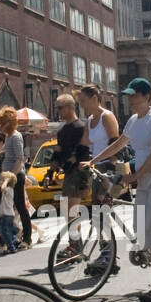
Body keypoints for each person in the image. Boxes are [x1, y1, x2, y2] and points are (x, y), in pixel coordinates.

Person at [87, 78, 151, 302]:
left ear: (147, 96)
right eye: (128, 95)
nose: (130, 99)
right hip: (144, 178)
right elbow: (119, 144)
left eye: (134, 95)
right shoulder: (133, 120)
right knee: (140, 232)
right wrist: (93, 160)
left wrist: (134, 176)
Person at [48, 93, 91, 238]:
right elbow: (58, 152)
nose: (58, 111)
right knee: (68, 211)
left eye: (60, 108)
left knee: (72, 210)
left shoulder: (81, 127)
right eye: (57, 108)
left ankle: (74, 244)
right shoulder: (61, 130)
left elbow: (84, 152)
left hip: (79, 172)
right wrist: (49, 174)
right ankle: (75, 242)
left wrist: (84, 181)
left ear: (71, 107)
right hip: (68, 173)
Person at [0, 108, 32, 248]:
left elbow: (19, 158)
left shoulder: (15, 136)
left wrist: (12, 177)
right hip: (8, 176)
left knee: (20, 207)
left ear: (9, 123)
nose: (0, 126)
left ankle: (26, 239)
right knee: (3, 207)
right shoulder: (9, 136)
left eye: (2, 123)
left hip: (14, 176)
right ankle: (7, 237)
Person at [78, 84, 119, 161]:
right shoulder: (89, 120)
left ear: (94, 98)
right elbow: (83, 145)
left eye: (83, 101)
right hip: (97, 164)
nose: (81, 105)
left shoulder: (106, 116)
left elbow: (115, 143)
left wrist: (112, 165)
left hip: (108, 165)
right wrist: (72, 160)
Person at [0, 171, 19, 253]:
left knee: (4, 232)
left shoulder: (9, 189)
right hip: (6, 215)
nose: (0, 181)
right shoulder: (8, 190)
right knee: (8, 231)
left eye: (2, 180)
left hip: (7, 215)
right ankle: (15, 240)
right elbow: (0, 188)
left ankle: (11, 247)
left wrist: (6, 180)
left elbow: (3, 188)